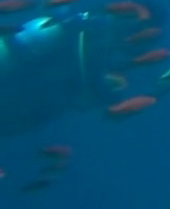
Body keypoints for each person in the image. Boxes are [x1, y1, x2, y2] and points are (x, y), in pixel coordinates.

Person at [0, 11, 155, 135]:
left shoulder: (89, 25)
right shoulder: (99, 35)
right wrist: (112, 96)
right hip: (22, 91)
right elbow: (91, 73)